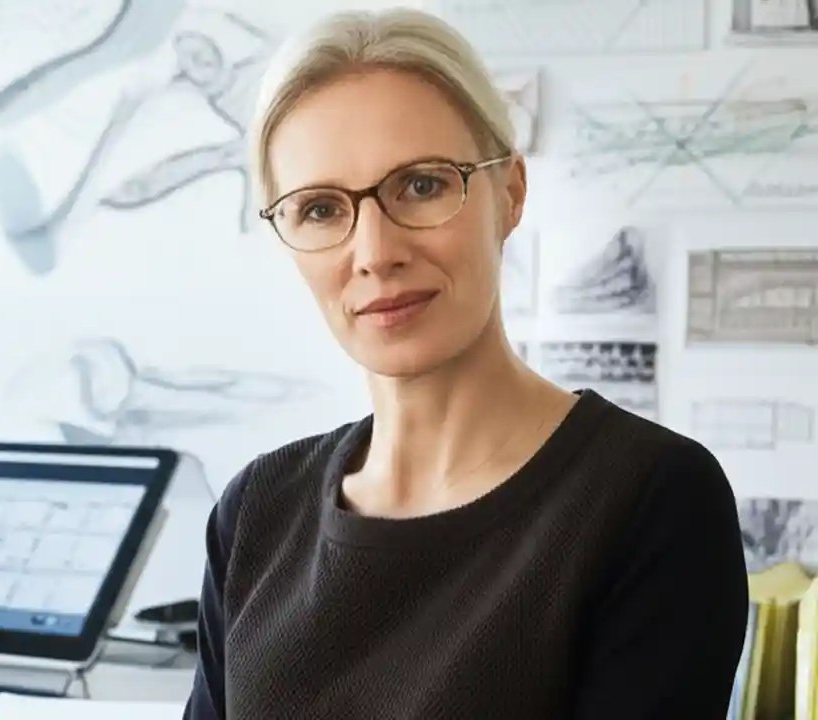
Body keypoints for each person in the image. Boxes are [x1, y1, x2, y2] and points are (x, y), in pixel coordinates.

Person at [183, 8, 748, 719]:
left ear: (508, 194)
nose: (375, 251)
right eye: (321, 209)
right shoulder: (255, 512)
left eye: (421, 185)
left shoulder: (650, 500)